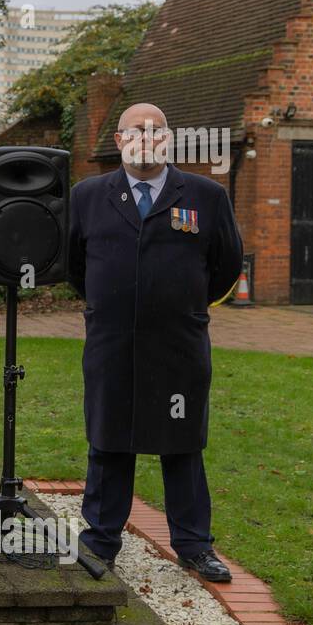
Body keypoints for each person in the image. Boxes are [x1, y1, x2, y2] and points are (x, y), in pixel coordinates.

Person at [68, 102, 242, 581]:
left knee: (182, 444)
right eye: (134, 131)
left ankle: (193, 546)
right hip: (112, 343)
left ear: (169, 139)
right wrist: (115, 303)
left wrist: (181, 304)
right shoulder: (87, 196)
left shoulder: (206, 197)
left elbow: (227, 264)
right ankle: (99, 541)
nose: (145, 138)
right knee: (109, 441)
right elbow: (74, 266)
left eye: (155, 130)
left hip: (179, 345)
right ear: (119, 140)